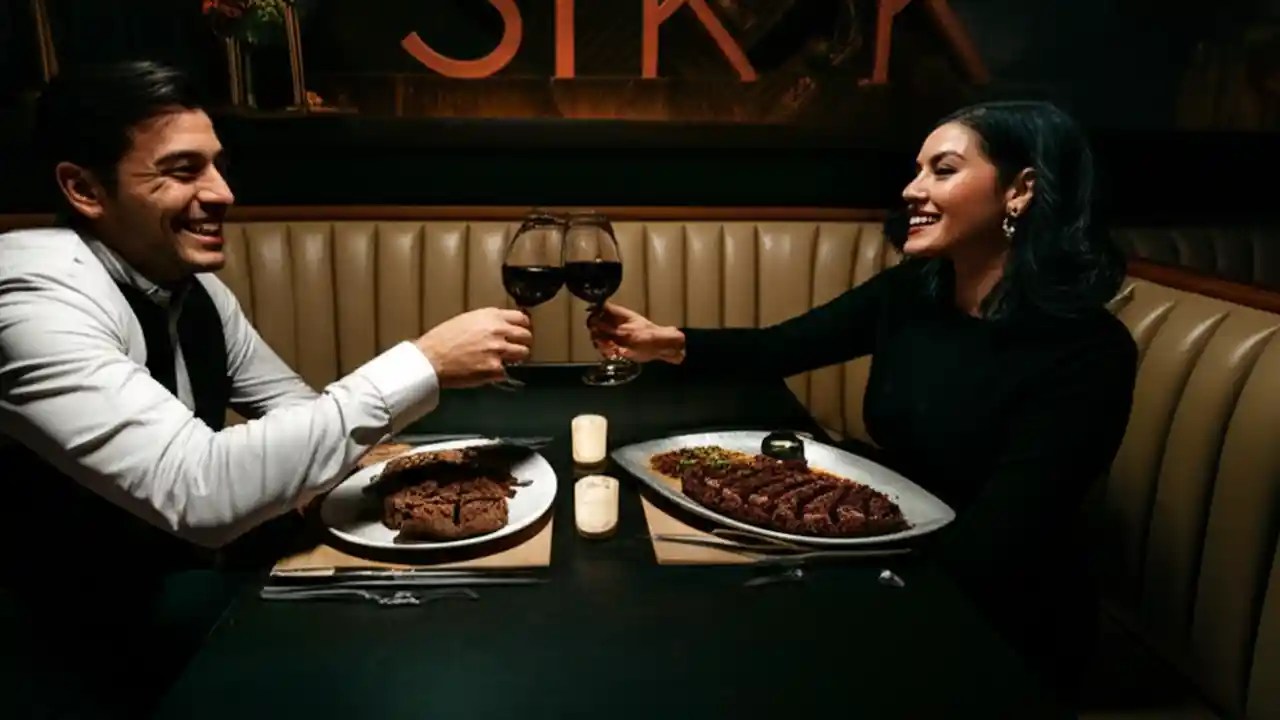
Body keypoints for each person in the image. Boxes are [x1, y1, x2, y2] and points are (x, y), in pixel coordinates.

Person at [0, 61, 531, 717]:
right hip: (56, 649)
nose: (222, 192)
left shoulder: (195, 293)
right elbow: (200, 490)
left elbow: (298, 414)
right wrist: (422, 363)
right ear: (84, 188)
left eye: (217, 165)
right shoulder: (28, 295)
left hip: (168, 591)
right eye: (183, 169)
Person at [590, 101, 1138, 705]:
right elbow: (781, 347)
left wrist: (846, 592)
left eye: (943, 170)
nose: (912, 189)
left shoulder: (1088, 352)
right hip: (892, 550)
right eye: (917, 170)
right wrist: (668, 343)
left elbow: (1002, 540)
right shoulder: (913, 292)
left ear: (1021, 190)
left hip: (996, 620)